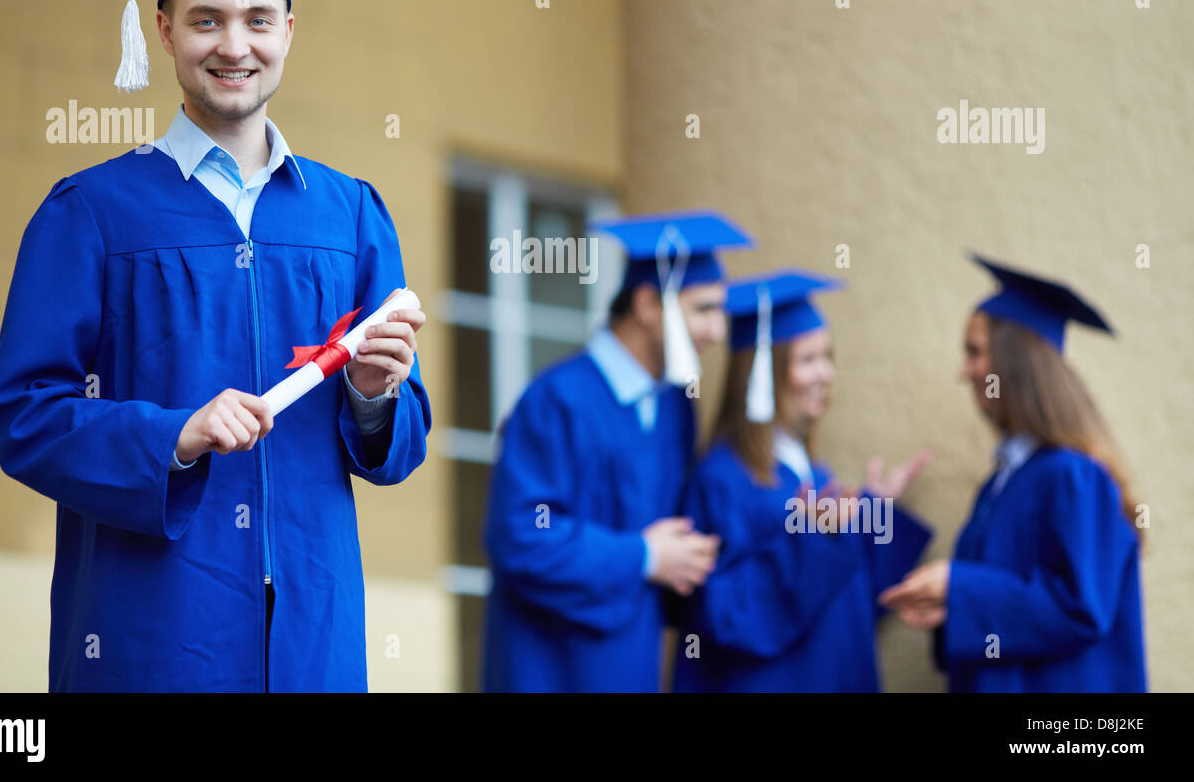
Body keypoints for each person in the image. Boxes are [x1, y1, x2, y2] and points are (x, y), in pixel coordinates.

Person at [0, 0, 431, 692]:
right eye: (206, 21)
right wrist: (172, 437)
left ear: (289, 30)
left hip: (311, 628)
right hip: (152, 626)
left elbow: (398, 448)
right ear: (163, 31)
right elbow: (23, 414)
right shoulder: (91, 211)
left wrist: (373, 393)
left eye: (259, 20)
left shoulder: (351, 213)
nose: (235, 45)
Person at [481, 210, 752, 691]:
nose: (717, 332)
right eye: (704, 309)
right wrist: (643, 556)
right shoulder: (558, 401)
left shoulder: (675, 407)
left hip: (631, 659)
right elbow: (520, 536)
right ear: (648, 305)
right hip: (550, 665)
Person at [879, 254, 1146, 691]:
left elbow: (1081, 608)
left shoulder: (1073, 476)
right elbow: (1013, 604)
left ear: (1015, 363)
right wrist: (952, 607)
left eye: (974, 352)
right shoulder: (1006, 479)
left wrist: (960, 589)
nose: (963, 372)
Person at [673, 270, 933, 692]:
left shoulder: (808, 469)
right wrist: (812, 538)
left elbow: (842, 590)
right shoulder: (722, 479)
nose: (825, 373)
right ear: (763, 372)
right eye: (808, 360)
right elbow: (727, 617)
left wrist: (873, 512)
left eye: (828, 357)